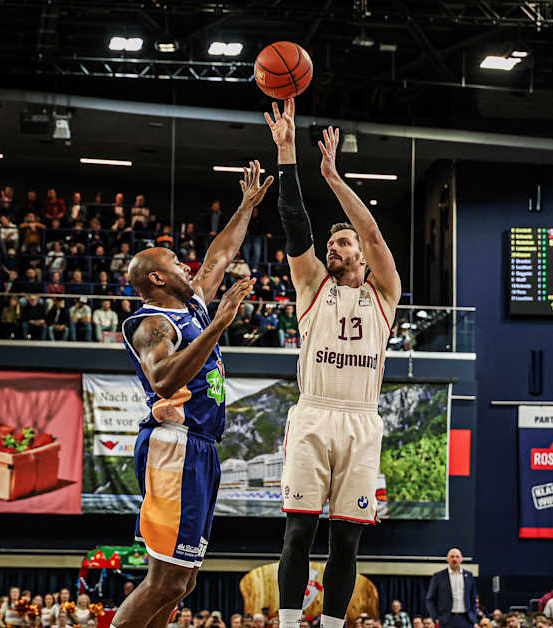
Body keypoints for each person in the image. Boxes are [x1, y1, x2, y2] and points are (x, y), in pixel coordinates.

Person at [109, 161, 271, 628]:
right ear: (156, 279)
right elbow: (161, 379)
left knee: (183, 583)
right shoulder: (151, 323)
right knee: (164, 582)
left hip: (200, 447)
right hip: (173, 447)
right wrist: (220, 324)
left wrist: (245, 206)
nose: (187, 265)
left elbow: (220, 254)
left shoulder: (192, 304)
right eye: (175, 263)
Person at [265, 100, 402, 628]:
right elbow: (294, 221)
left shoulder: (385, 293)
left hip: (362, 418)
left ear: (362, 257)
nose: (335, 247)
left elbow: (372, 233)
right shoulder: (311, 287)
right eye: (332, 242)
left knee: (347, 536)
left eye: (342, 242)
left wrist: (333, 176)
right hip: (314, 414)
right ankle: (289, 621)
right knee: (298, 530)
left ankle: (330, 625)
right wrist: (286, 154)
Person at [424, 549, 478, 628]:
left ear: (461, 559)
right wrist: (435, 617)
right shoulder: (438, 576)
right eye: (452, 556)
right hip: (446, 620)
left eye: (457, 556)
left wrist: (473, 615)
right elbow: (430, 599)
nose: (454, 559)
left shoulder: (469, 575)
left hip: (466, 619)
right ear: (447, 559)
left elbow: (473, 598)